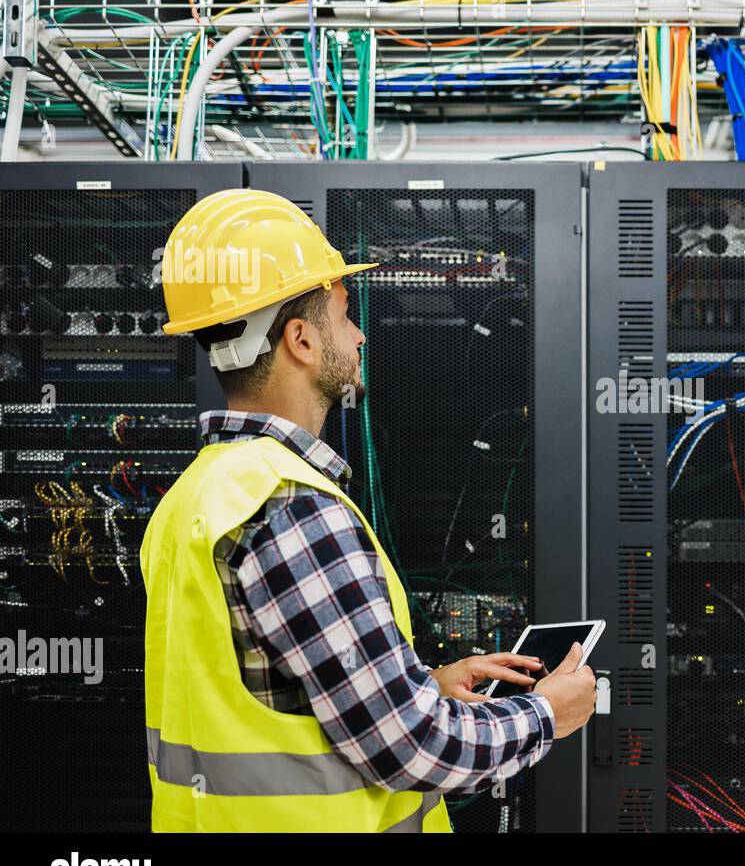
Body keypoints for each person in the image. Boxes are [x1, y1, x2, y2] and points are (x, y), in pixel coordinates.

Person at [140, 189, 594, 832]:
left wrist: (423, 685)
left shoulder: (198, 494)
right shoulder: (290, 504)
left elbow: (262, 699)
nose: (358, 336)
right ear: (299, 339)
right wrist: (549, 712)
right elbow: (414, 749)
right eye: (345, 314)